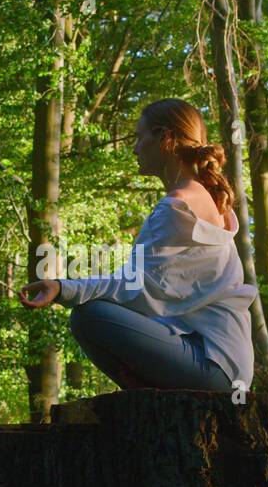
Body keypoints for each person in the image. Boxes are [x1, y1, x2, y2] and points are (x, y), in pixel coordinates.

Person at [19, 98, 255, 392]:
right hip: (226, 365)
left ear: (166, 139)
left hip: (212, 365)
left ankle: (149, 400)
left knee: (87, 316)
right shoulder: (209, 202)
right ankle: (151, 401)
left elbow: (133, 287)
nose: (134, 148)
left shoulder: (176, 207)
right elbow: (159, 292)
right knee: (94, 315)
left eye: (139, 137)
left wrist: (62, 287)